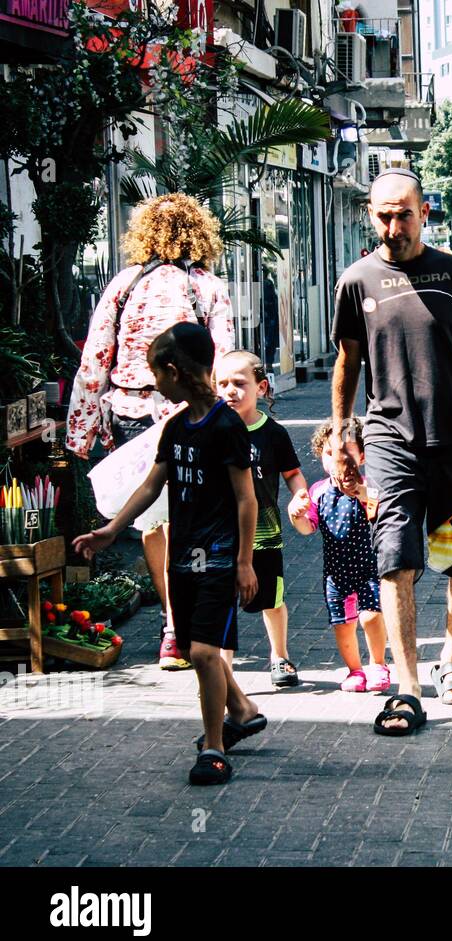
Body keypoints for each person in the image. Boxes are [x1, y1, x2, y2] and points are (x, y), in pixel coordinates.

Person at [330, 167, 452, 736]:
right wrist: (344, 432)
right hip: (391, 441)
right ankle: (407, 685)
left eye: (404, 213)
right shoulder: (356, 281)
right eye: (383, 214)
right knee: (396, 557)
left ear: (424, 212)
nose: (394, 225)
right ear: (371, 215)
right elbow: (347, 362)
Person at [73, 323, 260, 786]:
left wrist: (243, 560)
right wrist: (112, 530)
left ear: (174, 372)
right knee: (200, 644)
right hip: (182, 559)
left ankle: (214, 747)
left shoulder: (226, 426)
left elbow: (245, 498)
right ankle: (241, 708)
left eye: (155, 373)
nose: (152, 382)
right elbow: (153, 484)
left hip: (218, 557)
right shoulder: (175, 427)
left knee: (200, 651)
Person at [67, 193, 237, 672]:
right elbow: (221, 355)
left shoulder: (125, 282)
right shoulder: (206, 285)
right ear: (199, 233)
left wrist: (81, 429)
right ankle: (189, 620)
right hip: (188, 414)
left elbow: (95, 355)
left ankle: (171, 626)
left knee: (151, 518)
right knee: (189, 511)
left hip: (131, 408)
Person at [214, 350, 308, 686]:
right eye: (222, 384)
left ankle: (280, 656)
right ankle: (223, 667)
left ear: (262, 387)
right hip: (221, 537)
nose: (230, 391)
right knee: (222, 603)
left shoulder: (273, 434)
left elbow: (293, 474)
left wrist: (299, 495)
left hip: (265, 535)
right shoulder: (211, 432)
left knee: (272, 600)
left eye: (239, 383)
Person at [287, 420, 391, 692]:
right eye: (329, 453)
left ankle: (378, 664)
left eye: (345, 452)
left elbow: (377, 511)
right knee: (343, 625)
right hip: (336, 572)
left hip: (370, 568)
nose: (337, 460)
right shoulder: (319, 491)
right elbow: (308, 528)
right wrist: (295, 514)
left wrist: (359, 491)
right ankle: (355, 671)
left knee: (370, 616)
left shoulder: (369, 485)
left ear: (362, 456)